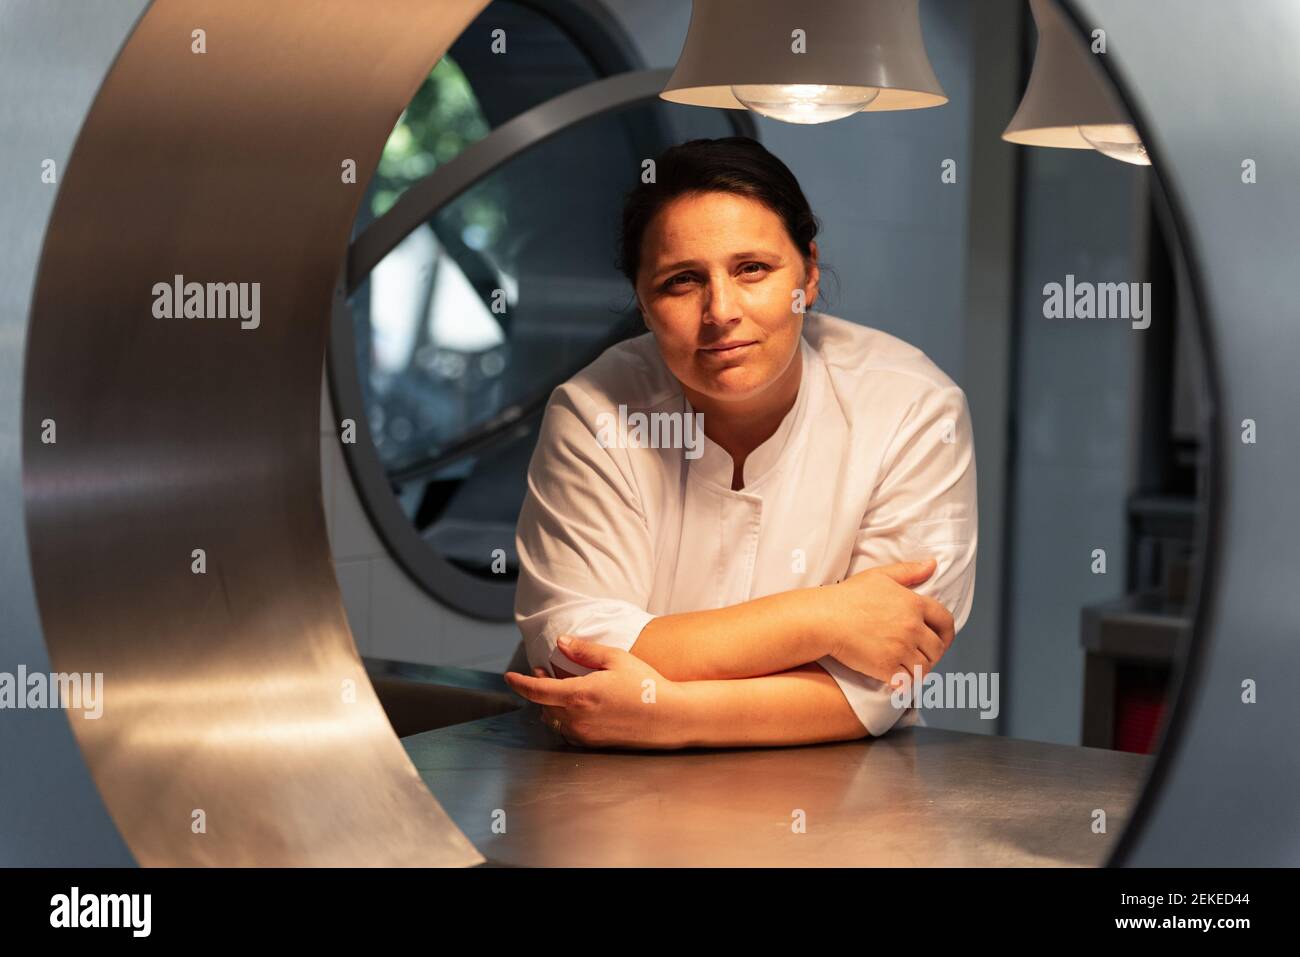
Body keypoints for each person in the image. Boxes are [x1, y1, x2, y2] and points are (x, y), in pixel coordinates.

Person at [503, 136, 976, 750]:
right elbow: (579, 650)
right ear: (643, 304)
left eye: (752, 269)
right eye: (681, 281)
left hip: (840, 800)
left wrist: (665, 715)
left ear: (808, 270)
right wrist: (824, 618)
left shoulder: (913, 409)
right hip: (602, 794)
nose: (721, 311)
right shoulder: (595, 413)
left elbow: (882, 677)